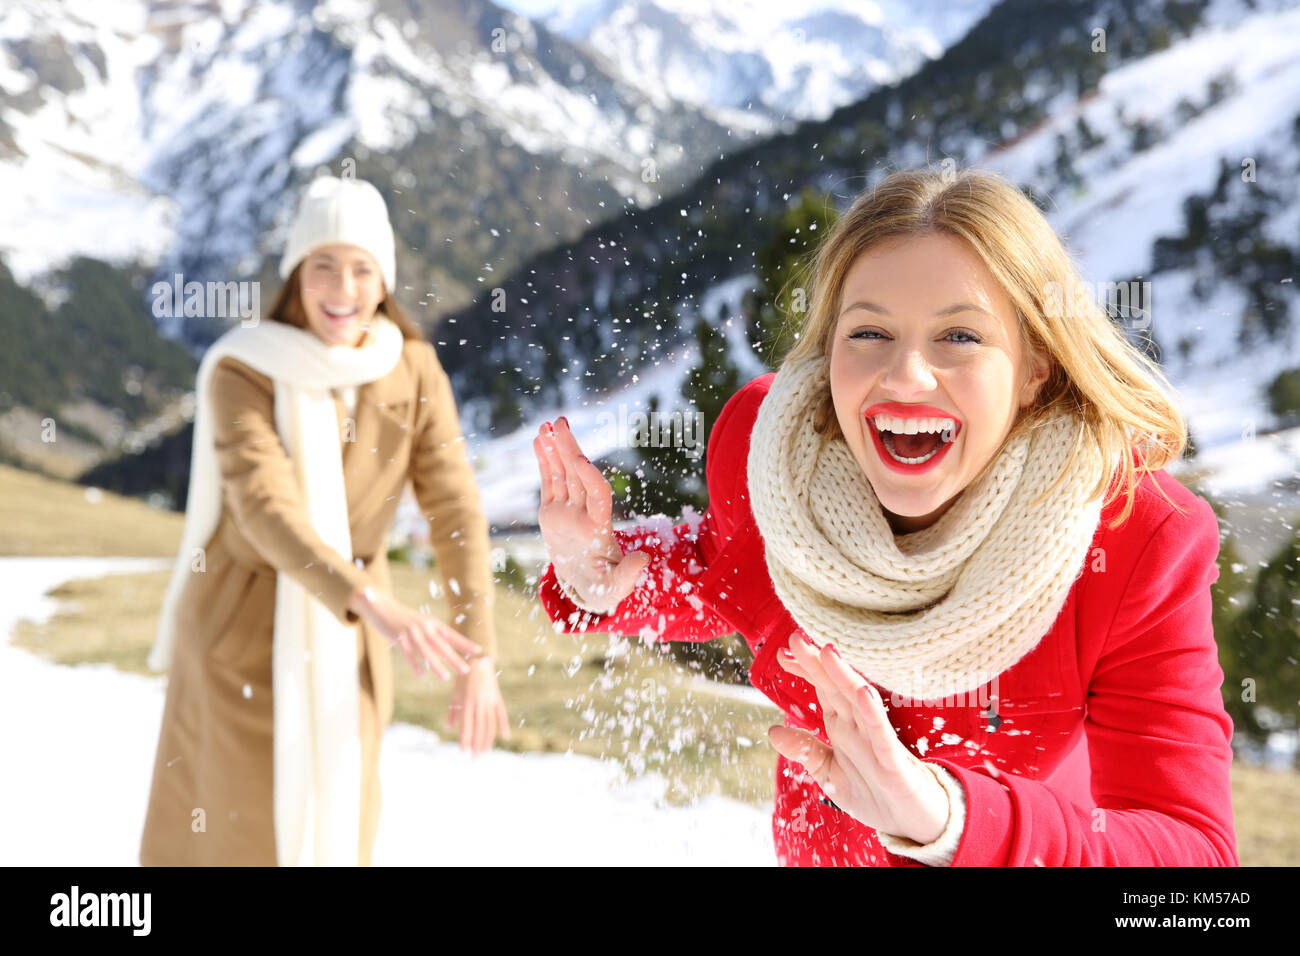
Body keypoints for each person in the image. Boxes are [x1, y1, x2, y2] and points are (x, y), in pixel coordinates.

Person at [532, 166, 1237, 866]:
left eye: (959, 337)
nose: (905, 376)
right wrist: (594, 575)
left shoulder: (1130, 537)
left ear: (1035, 369)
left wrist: (948, 820)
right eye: (869, 333)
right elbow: (727, 572)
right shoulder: (778, 460)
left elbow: (1196, 863)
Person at [140, 175, 508, 867]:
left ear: (384, 279)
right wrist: (372, 604)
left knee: (338, 822)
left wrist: (477, 652)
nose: (343, 288)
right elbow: (264, 508)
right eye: (324, 266)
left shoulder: (414, 370)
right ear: (295, 275)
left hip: (351, 641)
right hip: (242, 629)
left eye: (362, 268)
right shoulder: (244, 370)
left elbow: (456, 508)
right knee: (236, 833)